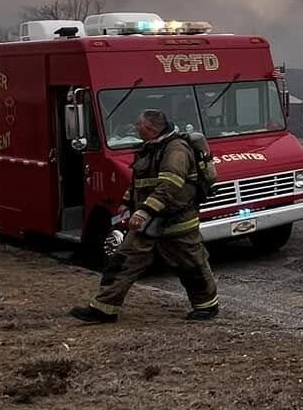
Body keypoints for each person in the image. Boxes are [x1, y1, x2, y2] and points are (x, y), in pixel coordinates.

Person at [74, 108, 219, 324]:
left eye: (138, 125)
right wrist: (126, 203)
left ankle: (207, 306)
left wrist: (144, 211)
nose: (135, 128)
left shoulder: (176, 150)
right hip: (149, 222)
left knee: (192, 265)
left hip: (177, 221)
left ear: (150, 128)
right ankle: (104, 308)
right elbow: (137, 183)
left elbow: (170, 186)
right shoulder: (150, 148)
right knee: (123, 261)